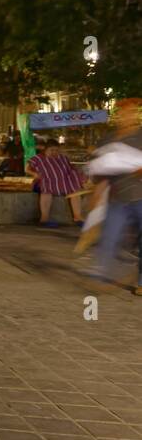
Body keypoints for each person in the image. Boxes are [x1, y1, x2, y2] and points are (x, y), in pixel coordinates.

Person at [89, 98, 142, 294]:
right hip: (117, 199)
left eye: (131, 112)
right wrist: (96, 196)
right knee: (109, 236)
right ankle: (101, 275)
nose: (126, 116)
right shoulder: (109, 140)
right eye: (122, 112)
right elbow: (102, 172)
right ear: (116, 115)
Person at [27, 140, 84, 228]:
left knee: (75, 191)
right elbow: (27, 169)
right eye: (52, 150)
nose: (54, 152)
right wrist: (35, 174)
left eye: (57, 150)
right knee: (47, 190)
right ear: (45, 150)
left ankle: (78, 218)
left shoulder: (63, 158)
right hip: (45, 181)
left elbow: (70, 168)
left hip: (65, 182)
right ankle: (44, 219)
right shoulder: (38, 158)